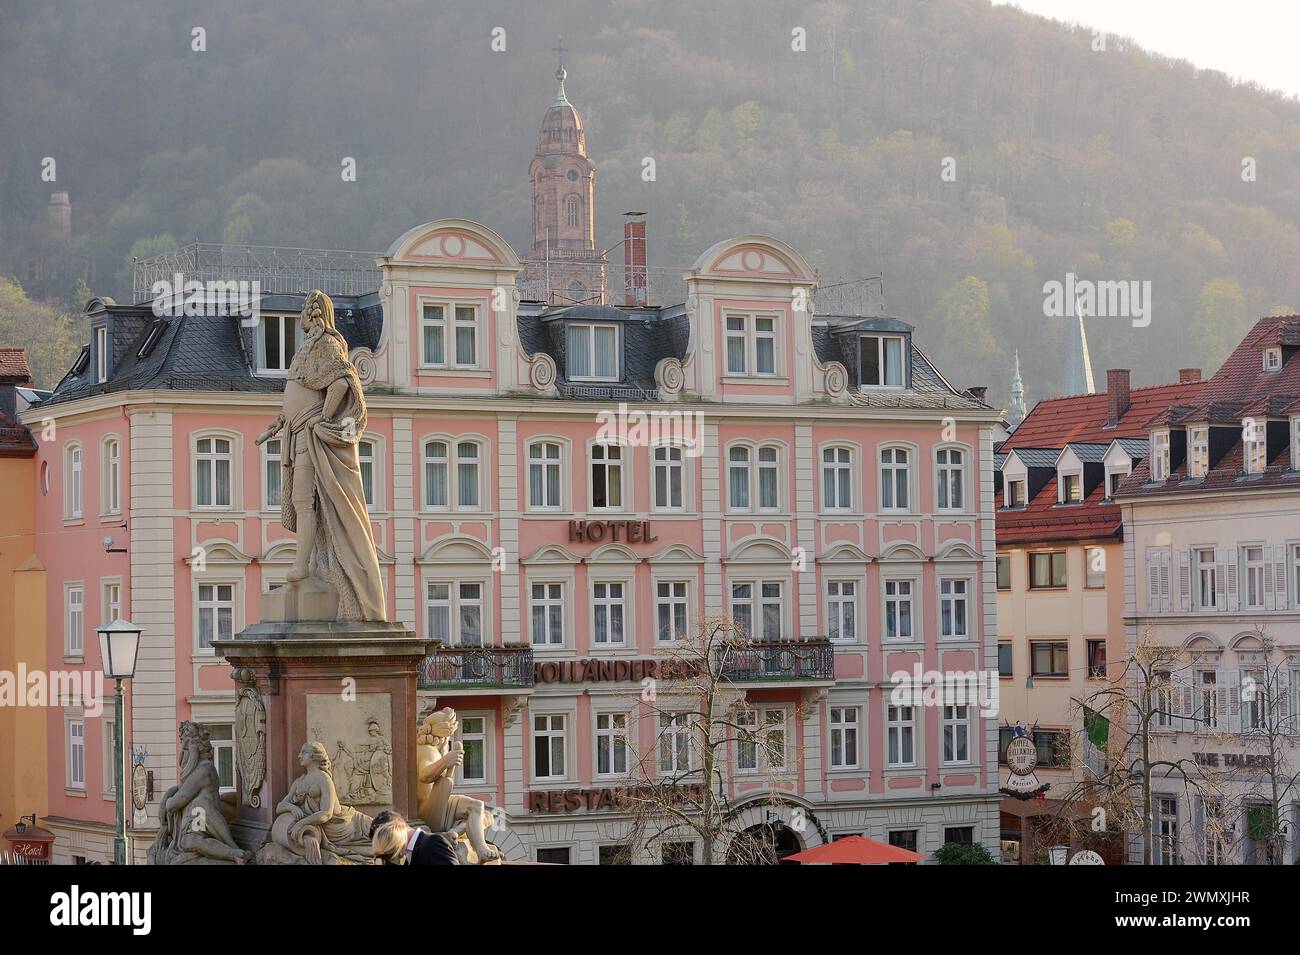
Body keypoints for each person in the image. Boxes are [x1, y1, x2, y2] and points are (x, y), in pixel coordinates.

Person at [369, 810, 460, 865]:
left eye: (387, 839)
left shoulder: (432, 843)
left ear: (397, 828)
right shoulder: (409, 857)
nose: (389, 850)